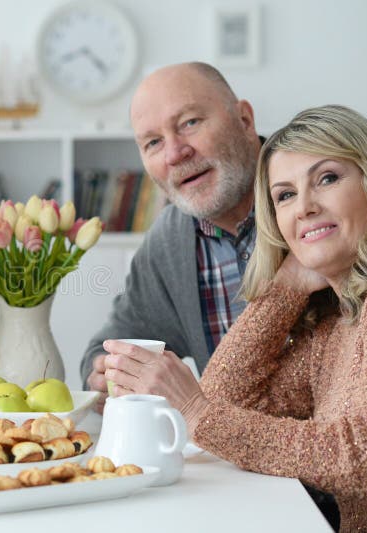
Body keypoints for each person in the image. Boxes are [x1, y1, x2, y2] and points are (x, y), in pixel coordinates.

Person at [104, 105, 367, 531]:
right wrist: (283, 289)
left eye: (327, 178)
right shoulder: (332, 326)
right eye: (284, 195)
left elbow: (359, 456)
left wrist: (196, 409)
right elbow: (228, 402)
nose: (304, 207)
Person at [81, 62, 262, 411]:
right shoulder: (168, 243)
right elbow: (107, 348)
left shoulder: (316, 197)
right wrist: (107, 374)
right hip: (231, 460)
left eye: (190, 123)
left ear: (245, 120)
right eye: (153, 142)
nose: (175, 153)